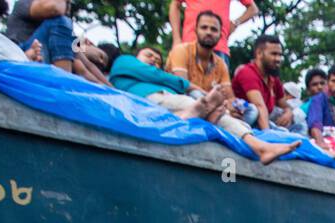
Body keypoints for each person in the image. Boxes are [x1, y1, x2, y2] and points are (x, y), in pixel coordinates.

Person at [109, 47, 298, 164]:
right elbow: (159, 76)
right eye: (149, 55)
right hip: (150, 99)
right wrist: (188, 86)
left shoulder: (167, 83)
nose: (154, 61)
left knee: (219, 113)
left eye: (158, 60)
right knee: (196, 101)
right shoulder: (124, 62)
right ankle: (197, 111)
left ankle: (259, 146)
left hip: (172, 102)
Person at [231, 35, 306, 134]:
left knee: (300, 125)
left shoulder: (273, 78)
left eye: (280, 55)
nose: (278, 59)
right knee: (254, 111)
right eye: (274, 54)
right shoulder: (247, 72)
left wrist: (288, 112)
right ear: (259, 53)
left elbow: (285, 105)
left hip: (264, 122)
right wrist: (268, 137)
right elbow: (259, 106)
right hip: (244, 122)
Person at [169, 0, 256, 67]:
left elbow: (253, 9)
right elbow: (175, 5)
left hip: (218, 47)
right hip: (189, 44)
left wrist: (236, 23)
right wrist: (176, 39)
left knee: (218, 88)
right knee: (183, 86)